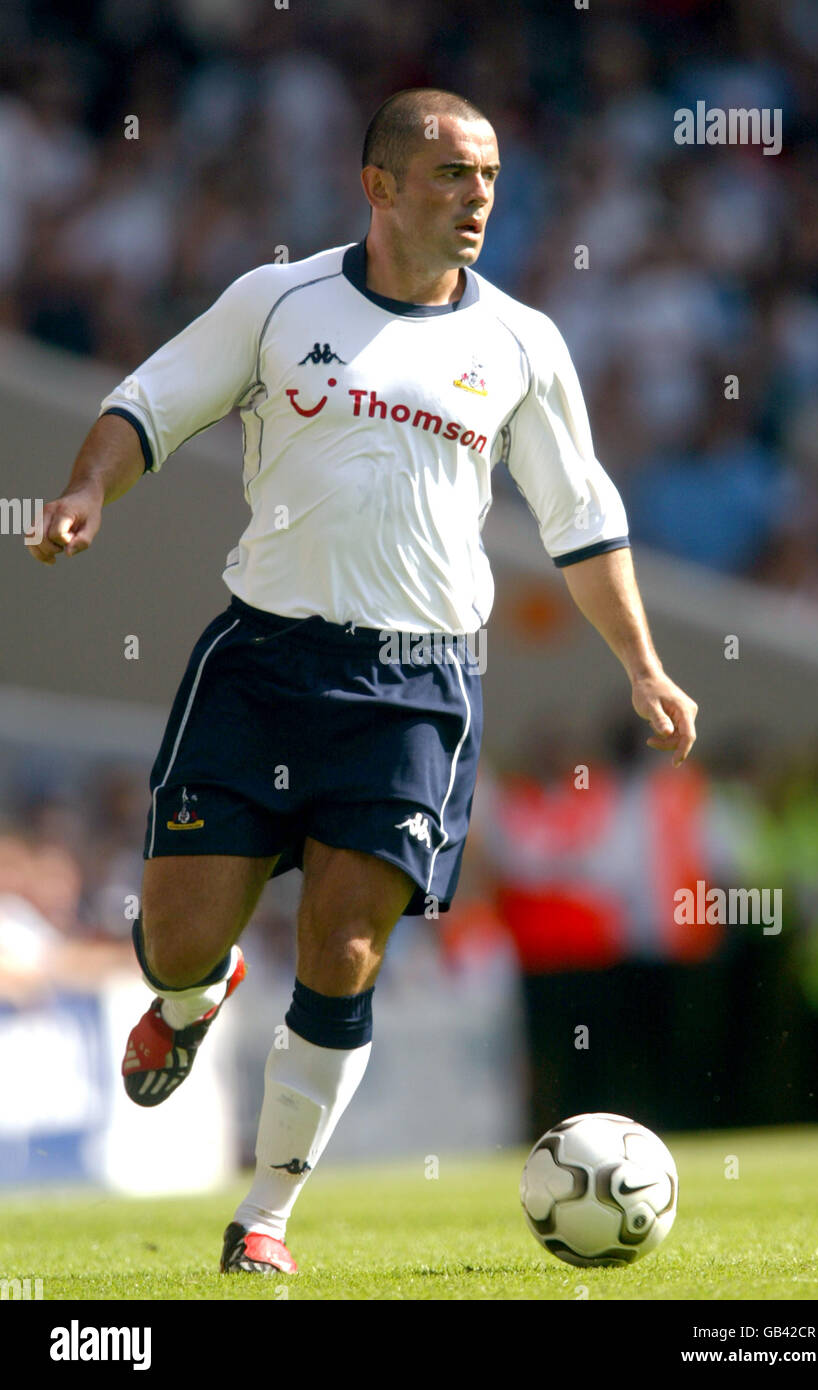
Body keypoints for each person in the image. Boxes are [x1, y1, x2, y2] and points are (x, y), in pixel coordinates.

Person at [27, 88, 697, 1275]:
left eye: (487, 174)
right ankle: (193, 997)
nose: (476, 194)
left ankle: (265, 1215)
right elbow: (148, 403)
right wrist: (86, 491)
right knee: (175, 940)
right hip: (261, 663)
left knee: (343, 951)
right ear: (379, 185)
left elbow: (581, 518)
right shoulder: (276, 302)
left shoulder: (522, 343)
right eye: (448, 172)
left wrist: (642, 664)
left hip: (416, 686)